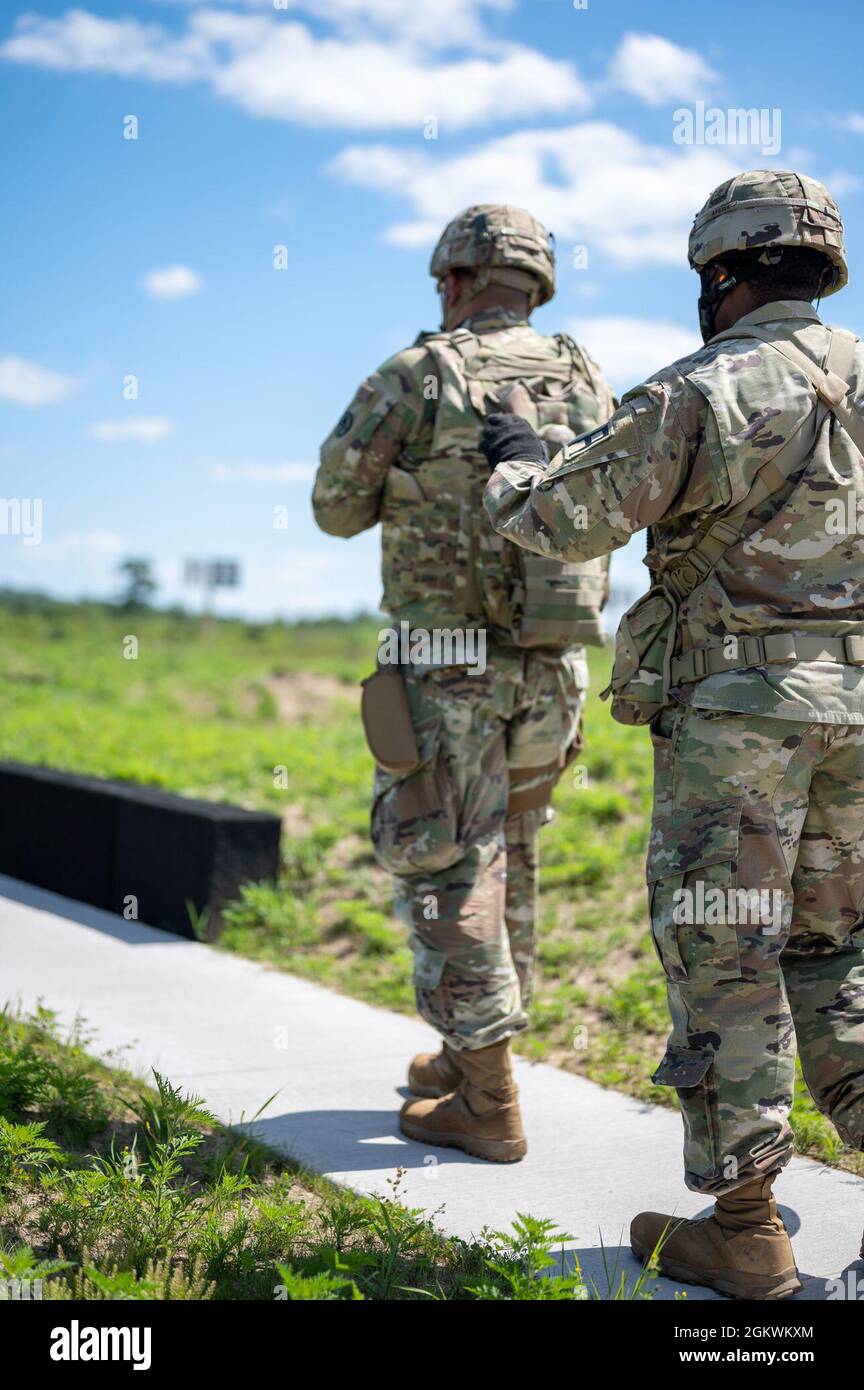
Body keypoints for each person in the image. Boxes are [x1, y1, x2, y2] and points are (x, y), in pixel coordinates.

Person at [481, 170, 864, 1294]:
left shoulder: (704, 389)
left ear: (723, 274)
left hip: (740, 725)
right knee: (843, 954)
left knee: (727, 960)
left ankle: (747, 1229)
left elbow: (550, 519)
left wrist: (515, 452)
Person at [313, 205, 614, 1161]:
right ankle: (465, 1052)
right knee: (509, 852)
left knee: (448, 857)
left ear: (451, 280)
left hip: (448, 665)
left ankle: (487, 1100)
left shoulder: (418, 374)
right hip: (557, 665)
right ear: (537, 285)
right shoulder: (583, 374)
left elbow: (333, 507)